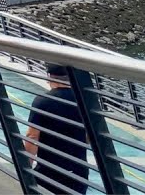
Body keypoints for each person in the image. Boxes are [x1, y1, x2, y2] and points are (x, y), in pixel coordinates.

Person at [24, 64, 90, 194]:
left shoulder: (42, 101)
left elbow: (32, 136)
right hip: (78, 170)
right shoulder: (85, 101)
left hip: (48, 170)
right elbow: (89, 137)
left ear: (49, 78)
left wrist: (25, 167)